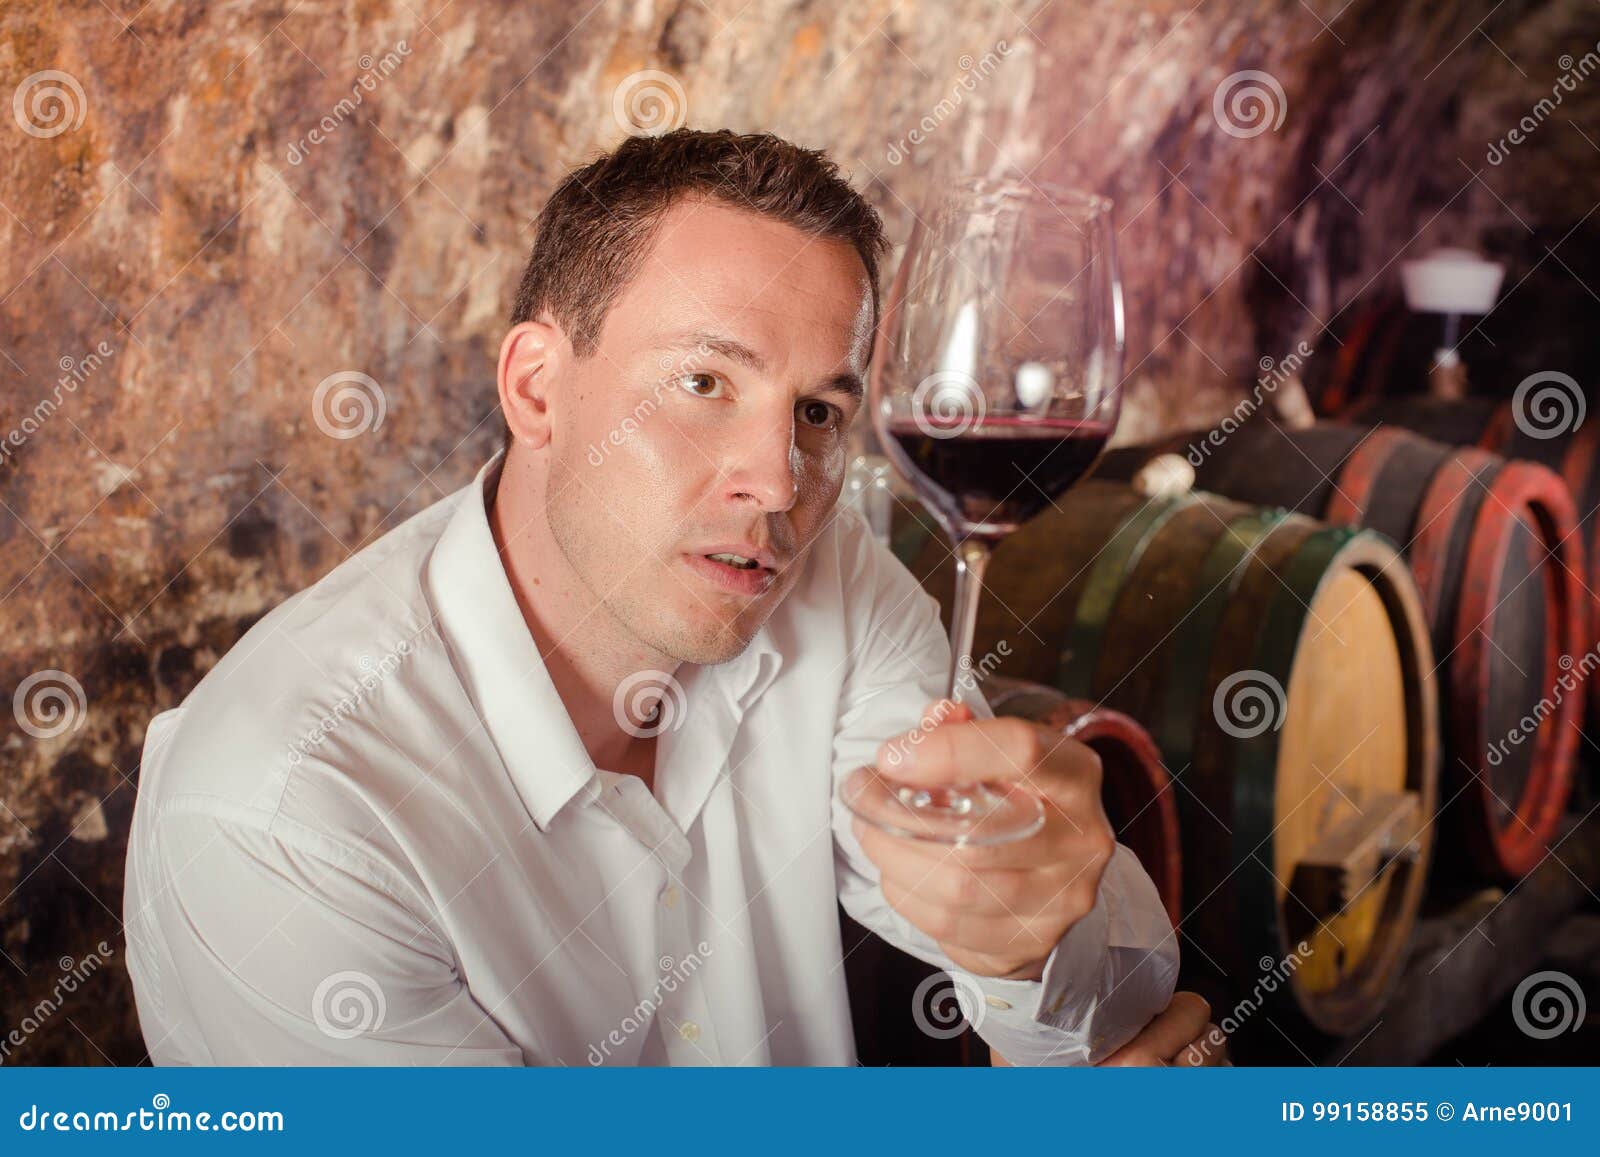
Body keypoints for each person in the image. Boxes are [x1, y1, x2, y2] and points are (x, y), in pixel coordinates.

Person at [123, 127, 1223, 1066]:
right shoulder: (284, 815)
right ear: (537, 387)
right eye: (704, 383)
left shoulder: (827, 576)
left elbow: (1124, 1027)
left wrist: (1034, 940)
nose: (779, 481)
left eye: (820, 411)